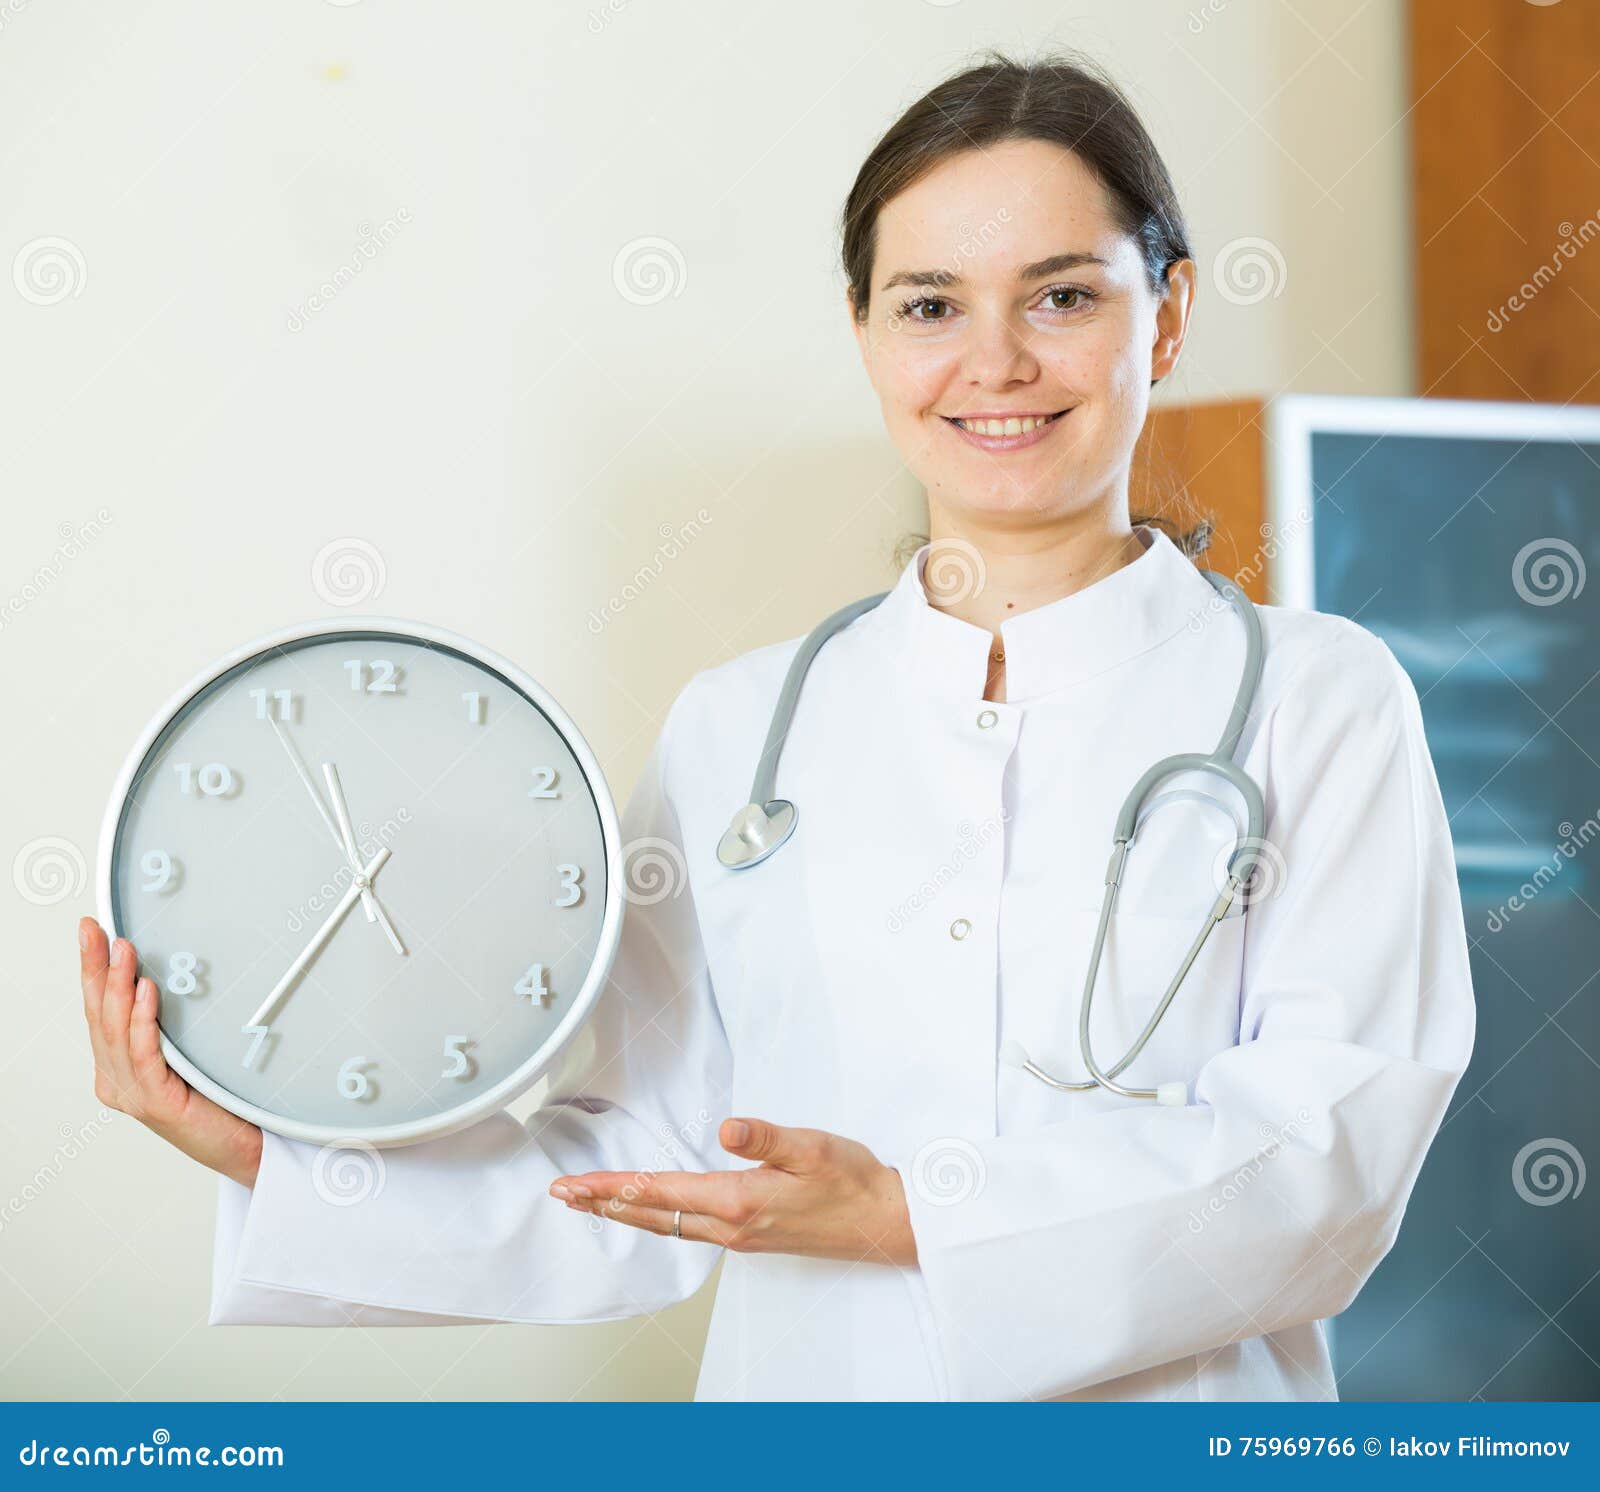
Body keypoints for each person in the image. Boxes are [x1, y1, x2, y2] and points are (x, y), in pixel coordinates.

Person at [75, 50, 1475, 1401]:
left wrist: (914, 1216)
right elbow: (636, 1169)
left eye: (1059, 298)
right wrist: (275, 1158)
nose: (994, 362)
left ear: (1164, 315)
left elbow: (1326, 1163)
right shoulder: (740, 727)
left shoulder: (1320, 700)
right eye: (929, 306)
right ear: (866, 334)